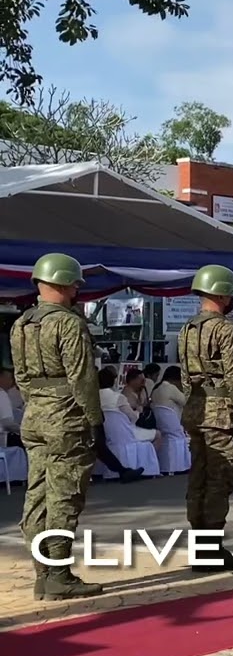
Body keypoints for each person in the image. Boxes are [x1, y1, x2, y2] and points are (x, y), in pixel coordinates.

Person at [10, 253, 104, 599]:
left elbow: (21, 376)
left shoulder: (22, 324)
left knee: (36, 498)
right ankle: (59, 575)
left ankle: (42, 573)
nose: (77, 289)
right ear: (65, 284)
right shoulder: (69, 323)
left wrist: (39, 402)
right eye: (75, 284)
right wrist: (95, 420)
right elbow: (82, 377)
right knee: (64, 497)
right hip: (66, 419)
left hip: (35, 416)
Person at [178, 264, 233, 571]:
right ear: (221, 295)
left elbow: (185, 378)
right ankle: (210, 550)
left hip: (196, 411)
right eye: (230, 293)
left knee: (198, 480)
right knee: (219, 482)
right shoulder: (225, 328)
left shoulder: (187, 329)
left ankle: (201, 547)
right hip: (221, 414)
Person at [97, 368, 157, 442]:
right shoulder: (118, 397)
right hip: (125, 432)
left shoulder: (94, 398)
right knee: (157, 434)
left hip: (106, 434)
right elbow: (133, 417)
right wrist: (138, 410)